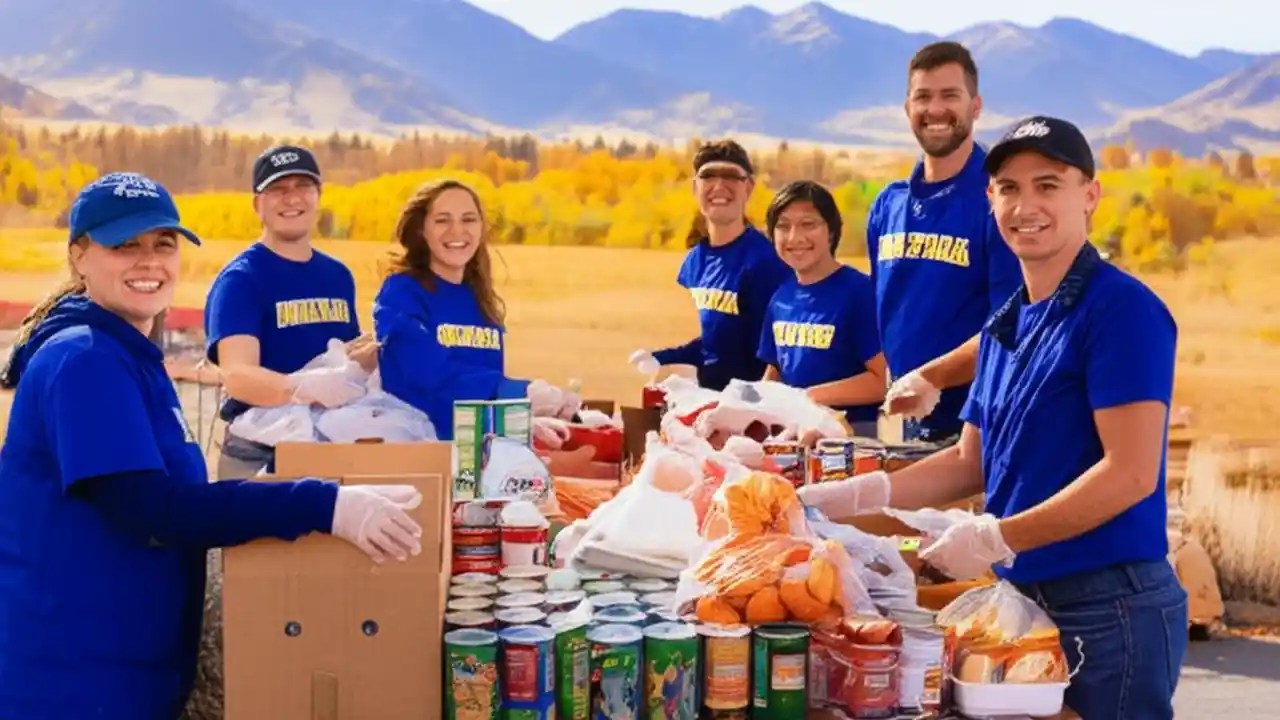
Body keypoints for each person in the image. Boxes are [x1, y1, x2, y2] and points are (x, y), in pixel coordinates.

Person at [0, 172, 425, 719]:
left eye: (163, 244)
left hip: (123, 673)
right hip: (71, 682)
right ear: (79, 256)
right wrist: (323, 503)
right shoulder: (84, 360)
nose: (149, 261)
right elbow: (154, 509)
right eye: (124, 245)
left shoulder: (129, 357)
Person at [801, 117, 1187, 718]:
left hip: (1109, 608)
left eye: (1047, 185)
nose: (1025, 204)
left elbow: (1131, 473)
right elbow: (967, 462)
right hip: (1022, 599)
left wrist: (996, 536)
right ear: (990, 201)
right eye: (1008, 187)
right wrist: (840, 498)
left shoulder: (1121, 310)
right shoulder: (1008, 323)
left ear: (1090, 194)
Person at [866, 41, 1022, 441]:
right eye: (923, 97)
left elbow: (1011, 326)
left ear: (976, 106)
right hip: (900, 429)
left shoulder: (1000, 201)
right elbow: (886, 318)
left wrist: (930, 377)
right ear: (907, 109)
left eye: (950, 95)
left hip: (976, 432)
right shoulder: (888, 205)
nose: (935, 109)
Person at [203, 144, 376, 480]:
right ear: (257, 204)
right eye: (278, 190)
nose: (292, 199)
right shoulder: (242, 280)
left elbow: (345, 359)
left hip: (329, 447)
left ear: (318, 196)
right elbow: (237, 376)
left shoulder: (337, 276)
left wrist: (367, 359)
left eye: (303, 187)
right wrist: (300, 387)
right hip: (258, 455)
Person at [373, 178, 578, 443]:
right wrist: (518, 392)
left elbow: (478, 404)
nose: (457, 231)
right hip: (418, 453)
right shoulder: (401, 293)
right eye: (442, 220)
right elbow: (425, 374)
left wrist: (527, 416)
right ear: (421, 230)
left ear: (481, 228)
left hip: (472, 454)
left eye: (468, 220)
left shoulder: (480, 301)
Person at [629, 139, 791, 391]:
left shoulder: (767, 262)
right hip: (712, 401)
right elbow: (717, 343)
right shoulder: (697, 261)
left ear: (748, 187)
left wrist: (753, 404)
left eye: (731, 176)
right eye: (709, 175)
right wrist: (663, 358)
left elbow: (781, 352)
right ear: (695, 187)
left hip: (755, 408)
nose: (719, 185)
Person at [757, 180, 887, 437]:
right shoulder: (781, 298)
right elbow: (775, 371)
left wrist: (807, 397)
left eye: (809, 224)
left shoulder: (859, 293)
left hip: (850, 437)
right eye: (783, 227)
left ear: (830, 231)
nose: (795, 237)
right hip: (793, 434)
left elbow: (883, 380)